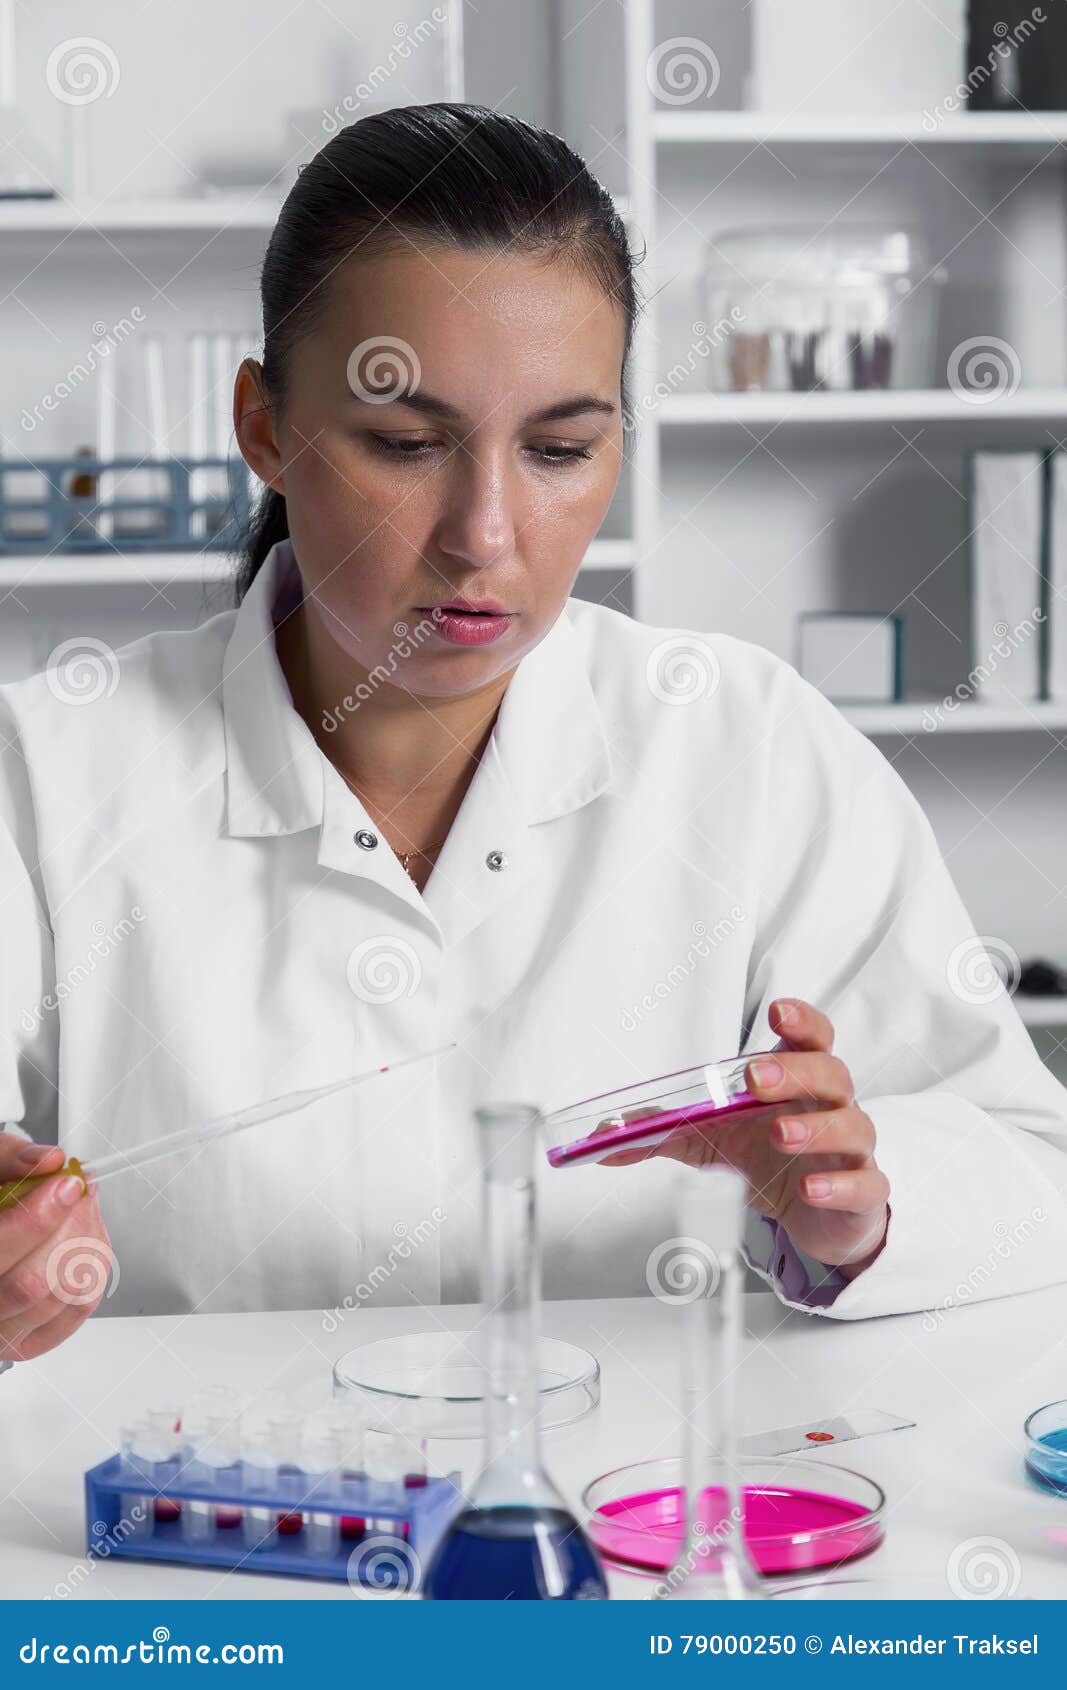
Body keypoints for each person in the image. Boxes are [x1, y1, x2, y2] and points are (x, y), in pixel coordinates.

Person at [2, 103, 1066, 1367]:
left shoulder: (744, 746)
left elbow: (1026, 1171)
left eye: (560, 447)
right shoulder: (50, 768)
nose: (487, 533)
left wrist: (857, 1204)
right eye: (406, 442)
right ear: (265, 431)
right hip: (180, 1548)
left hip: (633, 1535)